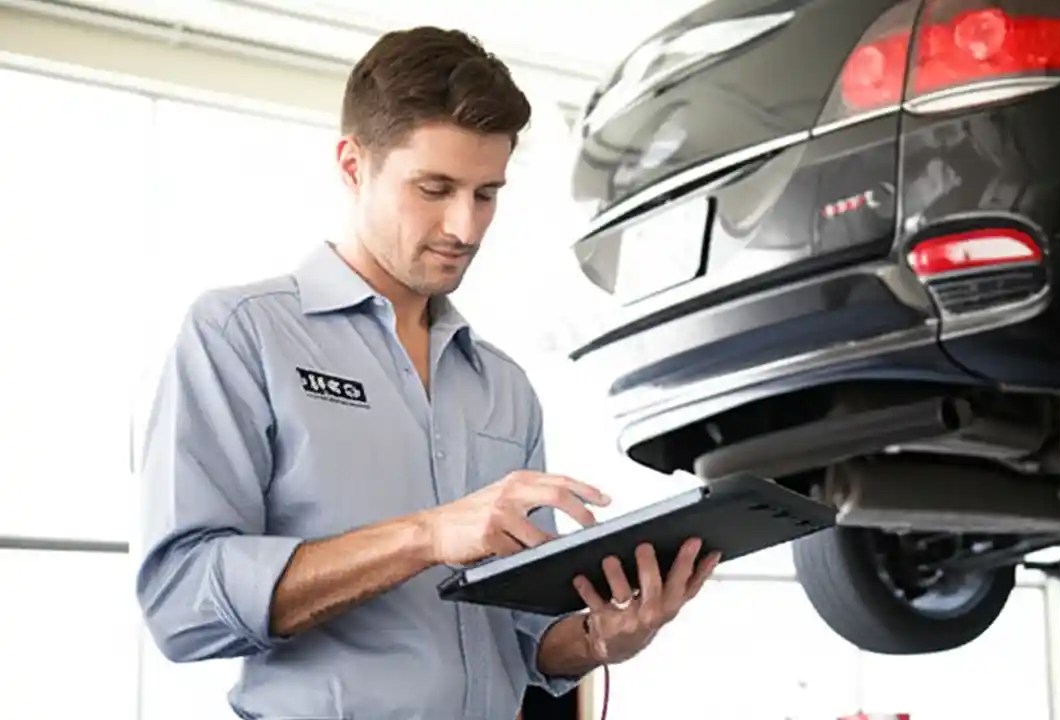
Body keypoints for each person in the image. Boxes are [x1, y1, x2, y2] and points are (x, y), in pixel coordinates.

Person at [134, 25, 721, 720]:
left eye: (487, 193)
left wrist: (600, 635)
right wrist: (425, 536)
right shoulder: (241, 335)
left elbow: (528, 641)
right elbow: (180, 601)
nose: (465, 227)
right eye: (435, 188)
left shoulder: (504, 390)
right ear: (354, 165)